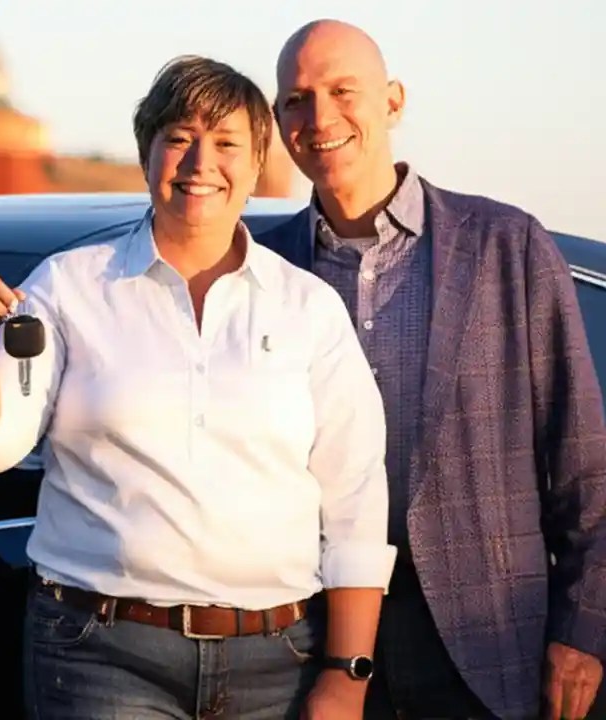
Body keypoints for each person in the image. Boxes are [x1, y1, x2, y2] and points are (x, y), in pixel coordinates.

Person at [0, 54, 395, 719]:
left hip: (279, 662)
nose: (200, 162)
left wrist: (346, 676)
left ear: (258, 161)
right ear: (147, 153)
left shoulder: (308, 308)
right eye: (178, 138)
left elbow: (354, 496)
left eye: (227, 143)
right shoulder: (66, 287)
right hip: (101, 651)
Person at [259, 20, 606, 720]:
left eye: (342, 90)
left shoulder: (508, 246)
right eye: (296, 99)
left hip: (494, 645)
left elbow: (586, 467)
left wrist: (584, 627)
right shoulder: (262, 271)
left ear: (393, 101)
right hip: (310, 651)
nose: (319, 117)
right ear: (277, 121)